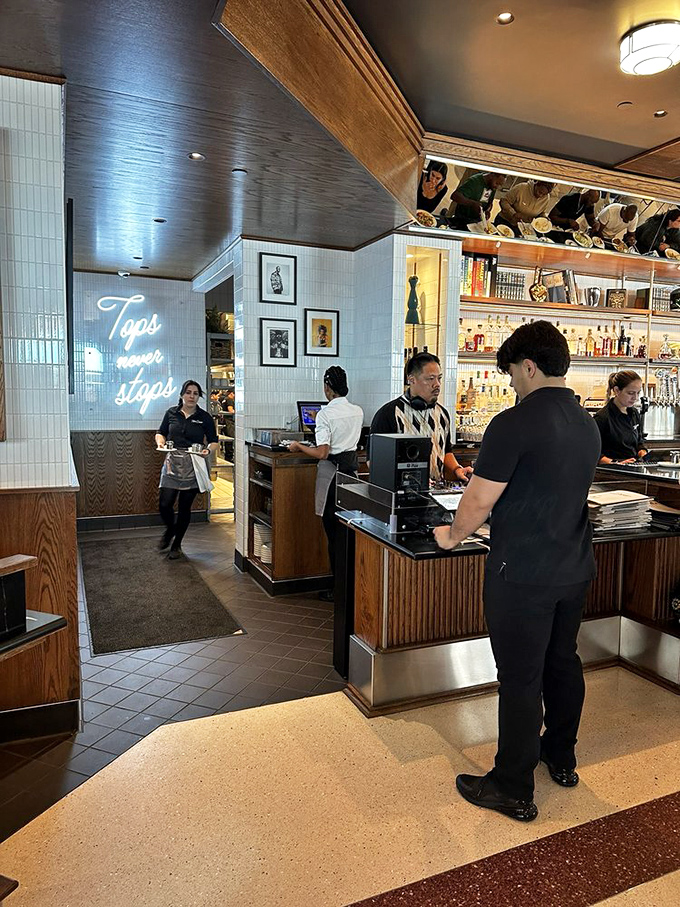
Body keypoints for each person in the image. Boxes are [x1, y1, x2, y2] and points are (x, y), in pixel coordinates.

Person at [434, 321, 601, 822]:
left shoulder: (514, 422)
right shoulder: (585, 421)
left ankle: (511, 785)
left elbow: (478, 500)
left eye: (511, 373)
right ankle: (560, 755)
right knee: (563, 663)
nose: (511, 384)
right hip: (573, 568)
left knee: (521, 678)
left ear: (529, 365)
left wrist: (450, 536)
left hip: (522, 572)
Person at [288, 367, 363, 602]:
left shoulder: (324, 414)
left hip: (332, 477)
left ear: (327, 387)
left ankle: (337, 589)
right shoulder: (357, 411)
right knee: (348, 532)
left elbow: (322, 452)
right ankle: (351, 586)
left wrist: (298, 446)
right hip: (352, 476)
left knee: (333, 535)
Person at [370, 352, 473, 485]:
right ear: (411, 379)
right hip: (402, 494)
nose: (437, 384)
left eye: (439, 378)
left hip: (435, 492)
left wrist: (457, 469)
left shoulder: (443, 414)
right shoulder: (389, 413)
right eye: (430, 379)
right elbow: (374, 461)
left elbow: (446, 451)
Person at [155, 380, 218, 560]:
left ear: (199, 397)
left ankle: (176, 545)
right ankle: (170, 529)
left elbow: (214, 441)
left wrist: (208, 451)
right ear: (182, 394)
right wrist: (160, 442)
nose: (192, 396)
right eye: (188, 392)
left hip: (193, 464)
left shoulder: (204, 417)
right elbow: (161, 432)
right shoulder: (171, 413)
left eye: (195, 393)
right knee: (165, 504)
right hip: (172, 462)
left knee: (184, 507)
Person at [593, 371, 648, 464]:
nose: (636, 398)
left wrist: (642, 452)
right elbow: (594, 453)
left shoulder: (634, 413)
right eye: (631, 393)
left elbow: (639, 442)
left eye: (638, 393)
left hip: (634, 468)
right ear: (617, 390)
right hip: (612, 472)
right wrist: (616, 463)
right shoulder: (602, 418)